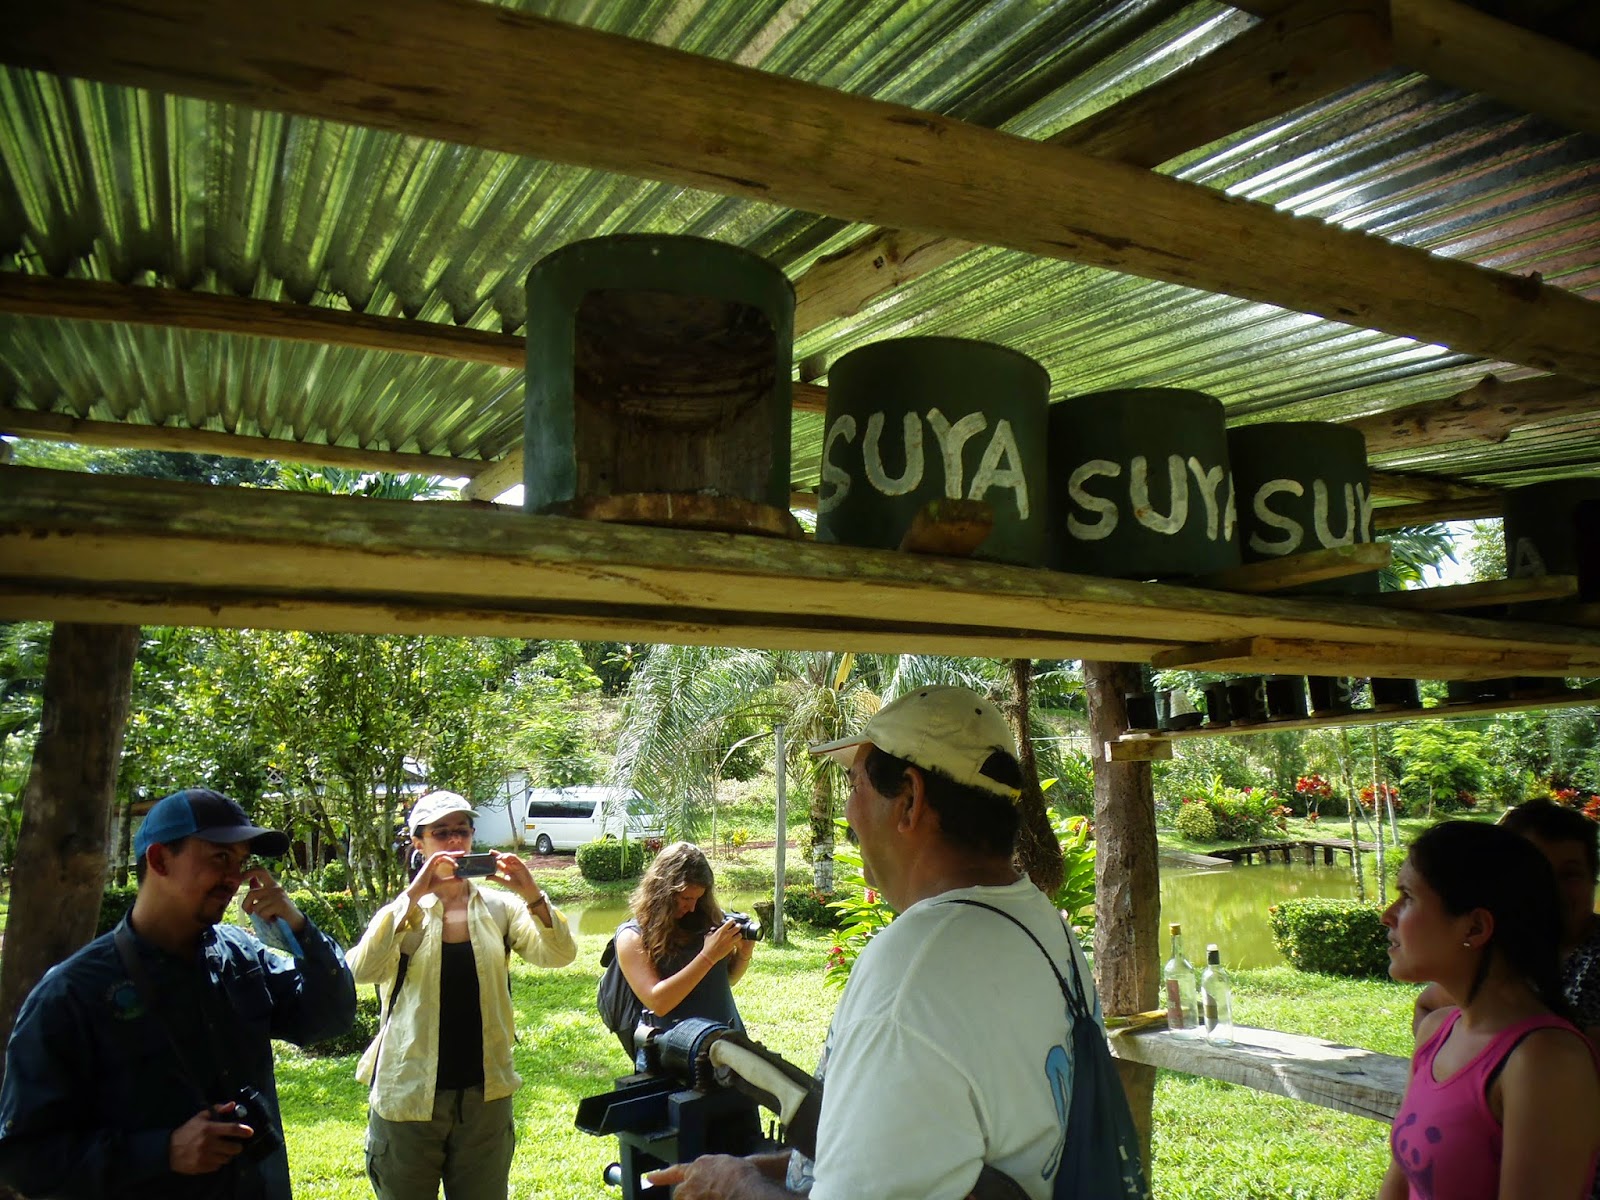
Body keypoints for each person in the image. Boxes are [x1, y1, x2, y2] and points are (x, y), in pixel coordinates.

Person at [648, 684, 1105, 1200]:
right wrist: (770, 1169)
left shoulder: (911, 973)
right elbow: (920, 1155)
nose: (848, 813)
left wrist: (735, 1185)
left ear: (908, 799)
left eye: (854, 785)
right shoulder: (1042, 926)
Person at [0, 786, 357, 1200]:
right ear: (159, 860)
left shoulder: (241, 957)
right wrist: (163, 1151)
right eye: (220, 857)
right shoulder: (72, 993)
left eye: (241, 862)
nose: (235, 878)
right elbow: (25, 1159)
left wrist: (299, 930)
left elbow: (330, 1017)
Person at [347, 789, 576, 1200]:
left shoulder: (500, 908)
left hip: (485, 1097)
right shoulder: (402, 912)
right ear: (419, 843)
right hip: (409, 1093)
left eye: (462, 831)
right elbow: (361, 971)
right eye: (441, 833)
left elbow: (560, 955)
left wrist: (532, 894)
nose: (455, 841)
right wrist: (413, 895)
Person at [1379, 820, 1600, 1200]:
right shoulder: (1437, 1032)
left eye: (1408, 896)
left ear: (1475, 928)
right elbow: (1399, 1186)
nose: (1388, 914)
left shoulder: (1545, 1061)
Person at [1414, 799, 1600, 1043]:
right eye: (1536, 873)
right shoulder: (1505, 953)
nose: (1552, 889)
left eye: (1569, 875)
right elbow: (1427, 1005)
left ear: (1592, 880)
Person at [614, 841, 755, 1049]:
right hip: (674, 1052)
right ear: (662, 892)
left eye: (699, 898)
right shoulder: (631, 936)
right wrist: (708, 956)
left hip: (726, 1043)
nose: (692, 907)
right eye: (685, 898)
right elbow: (658, 1002)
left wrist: (744, 953)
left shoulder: (706, 920)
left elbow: (727, 980)